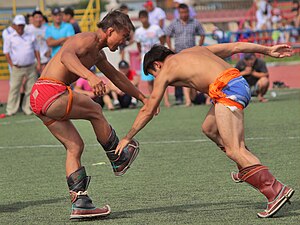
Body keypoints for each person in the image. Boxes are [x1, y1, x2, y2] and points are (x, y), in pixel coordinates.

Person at [115, 42, 294, 218]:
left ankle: (276, 190)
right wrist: (268, 50)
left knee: (234, 150)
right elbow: (235, 47)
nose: (158, 79)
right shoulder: (195, 50)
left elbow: (148, 110)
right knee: (209, 128)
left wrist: (127, 137)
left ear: (157, 64)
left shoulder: (166, 69)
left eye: (154, 75)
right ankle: (245, 166)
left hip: (227, 90)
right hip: (238, 83)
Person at [29, 11, 147, 220]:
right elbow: (66, 56)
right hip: (51, 91)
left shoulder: (98, 53)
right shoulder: (87, 38)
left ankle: (80, 203)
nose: (125, 41)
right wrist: (90, 76)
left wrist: (142, 97)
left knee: (75, 146)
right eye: (124, 35)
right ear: (111, 31)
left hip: (39, 97)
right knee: (95, 110)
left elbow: (117, 77)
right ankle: (118, 158)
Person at [165, 3, 205, 106]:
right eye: (182, 12)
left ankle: (193, 96)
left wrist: (199, 47)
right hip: (179, 53)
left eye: (186, 12)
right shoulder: (174, 23)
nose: (184, 14)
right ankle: (179, 97)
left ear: (188, 12)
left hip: (192, 53)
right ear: (178, 13)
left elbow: (202, 34)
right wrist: (170, 48)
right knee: (179, 75)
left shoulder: (195, 22)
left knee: (192, 74)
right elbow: (167, 35)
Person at [3, 15, 40, 116]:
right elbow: (6, 52)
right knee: (14, 88)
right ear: (14, 25)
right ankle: (11, 110)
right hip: (17, 67)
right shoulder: (10, 37)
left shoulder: (31, 36)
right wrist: (12, 65)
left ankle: (28, 108)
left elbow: (36, 50)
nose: (20, 27)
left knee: (30, 89)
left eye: (22, 25)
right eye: (18, 25)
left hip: (31, 66)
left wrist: (39, 63)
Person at [134, 10, 170, 107]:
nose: (144, 20)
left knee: (163, 79)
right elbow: (138, 44)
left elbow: (162, 39)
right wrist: (142, 54)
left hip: (157, 58)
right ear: (140, 19)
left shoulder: (156, 28)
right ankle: (155, 103)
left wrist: (160, 53)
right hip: (145, 59)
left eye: (145, 17)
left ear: (147, 17)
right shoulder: (138, 31)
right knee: (149, 81)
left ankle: (167, 101)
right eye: (142, 18)